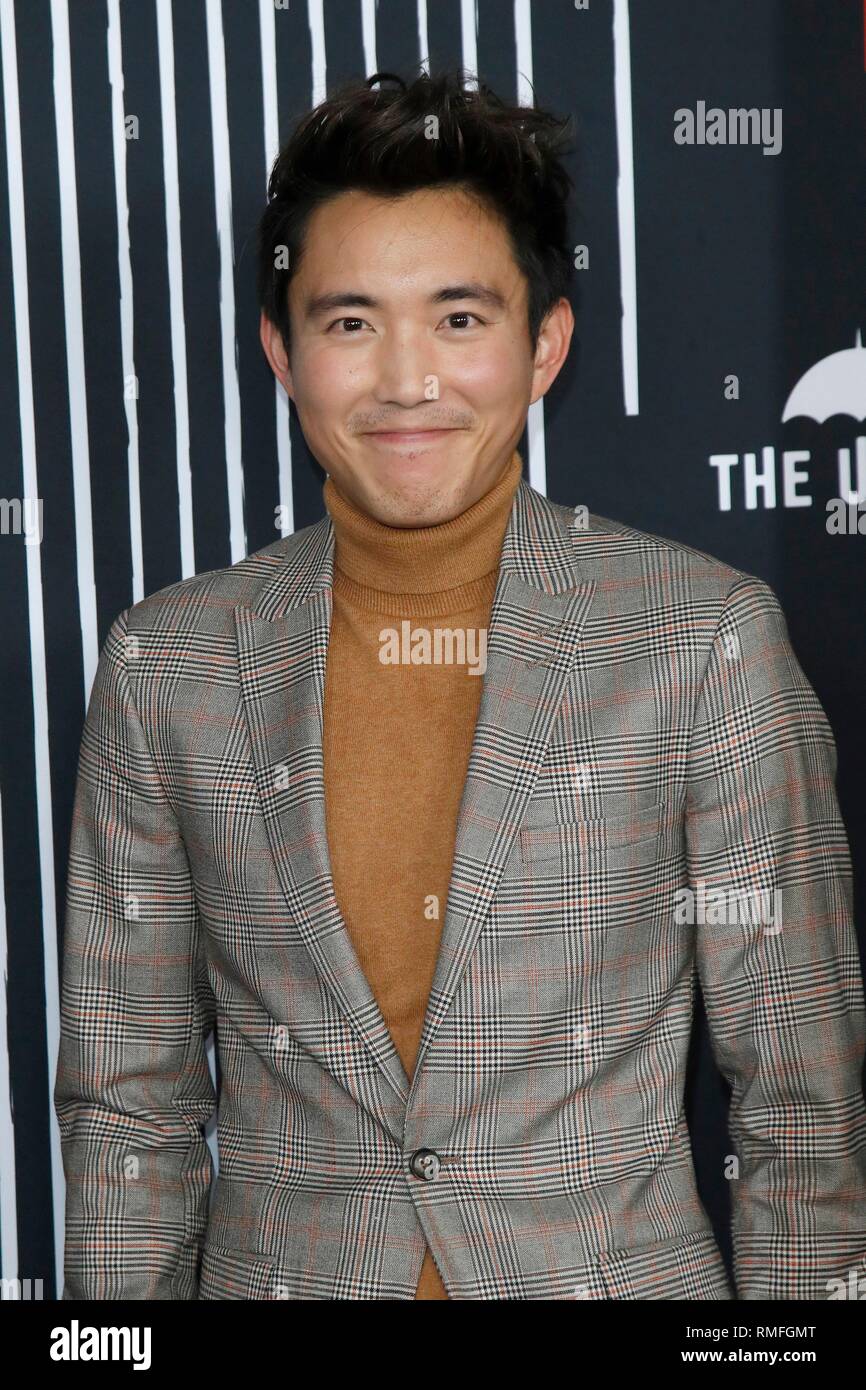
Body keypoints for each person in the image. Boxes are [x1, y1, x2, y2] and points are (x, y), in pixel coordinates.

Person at [55, 68, 866, 1300]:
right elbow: (128, 1112)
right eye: (348, 321)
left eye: (457, 318)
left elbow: (798, 1097)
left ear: (544, 343)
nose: (405, 379)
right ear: (281, 352)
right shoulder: (168, 667)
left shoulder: (701, 642)